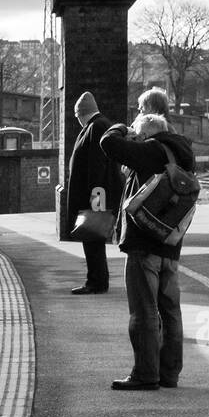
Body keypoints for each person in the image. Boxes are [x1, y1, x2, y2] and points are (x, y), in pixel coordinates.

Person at [100, 111, 196, 391]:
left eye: (137, 134)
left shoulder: (151, 150)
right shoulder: (181, 152)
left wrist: (120, 127)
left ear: (144, 135)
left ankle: (145, 373)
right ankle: (169, 373)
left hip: (144, 244)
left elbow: (109, 144)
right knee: (170, 311)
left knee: (144, 311)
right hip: (171, 244)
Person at [63, 91, 123, 294]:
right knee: (93, 237)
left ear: (80, 114)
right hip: (97, 193)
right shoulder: (98, 125)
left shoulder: (95, 127)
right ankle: (96, 279)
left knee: (92, 236)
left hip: (96, 195)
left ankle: (96, 282)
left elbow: (97, 164)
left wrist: (95, 196)